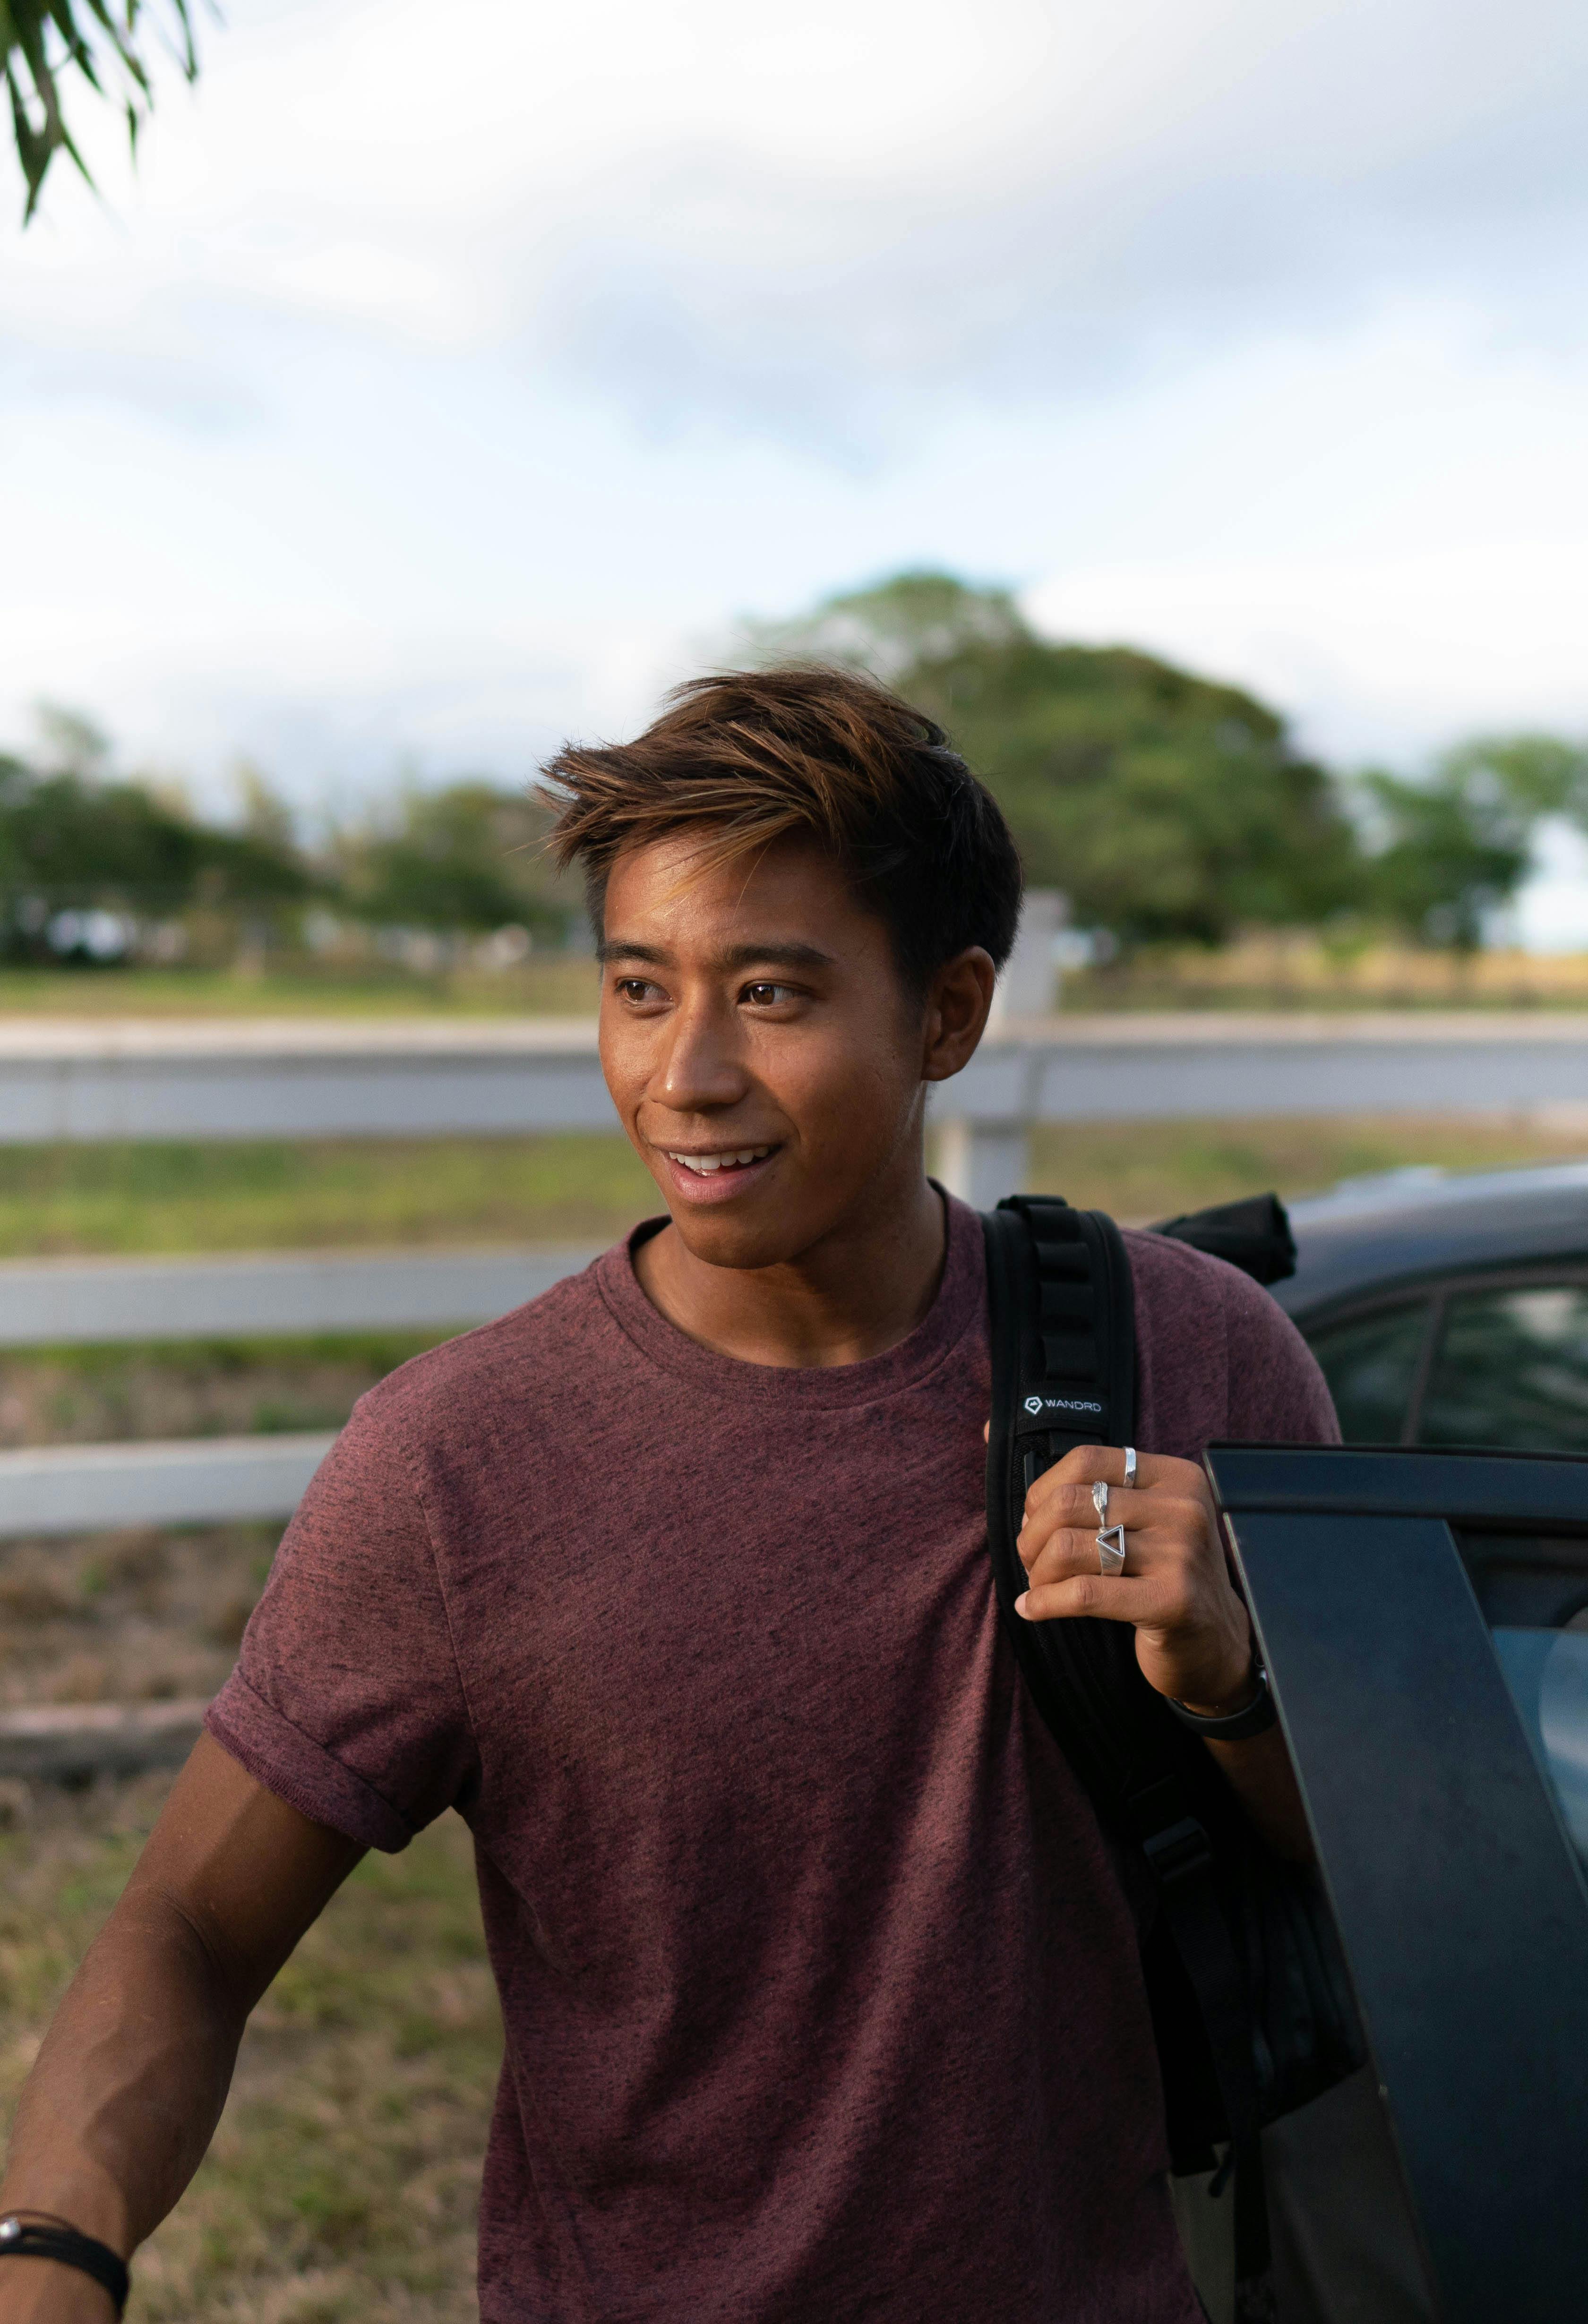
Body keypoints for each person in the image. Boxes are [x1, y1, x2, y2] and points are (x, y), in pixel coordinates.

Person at [0, 668, 1336, 2323]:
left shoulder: (1196, 1360)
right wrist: (55, 2260)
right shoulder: (452, 1465)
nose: (683, 1076)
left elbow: (1375, 1866)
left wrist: (1229, 1683)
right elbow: (189, 1932)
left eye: (771, 994)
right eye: (640, 988)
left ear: (946, 1014)